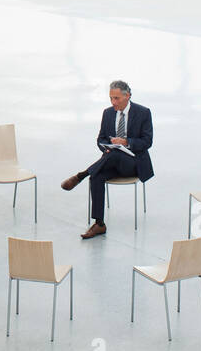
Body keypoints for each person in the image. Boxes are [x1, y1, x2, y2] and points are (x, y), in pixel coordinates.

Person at [61, 81, 154, 238]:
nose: (113, 102)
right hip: (111, 161)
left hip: (133, 163)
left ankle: (81, 175)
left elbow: (147, 141)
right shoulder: (108, 113)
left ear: (128, 96)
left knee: (116, 154)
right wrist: (107, 146)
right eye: (111, 98)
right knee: (97, 176)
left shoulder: (143, 112)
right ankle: (99, 224)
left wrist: (126, 142)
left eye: (117, 98)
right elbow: (100, 139)